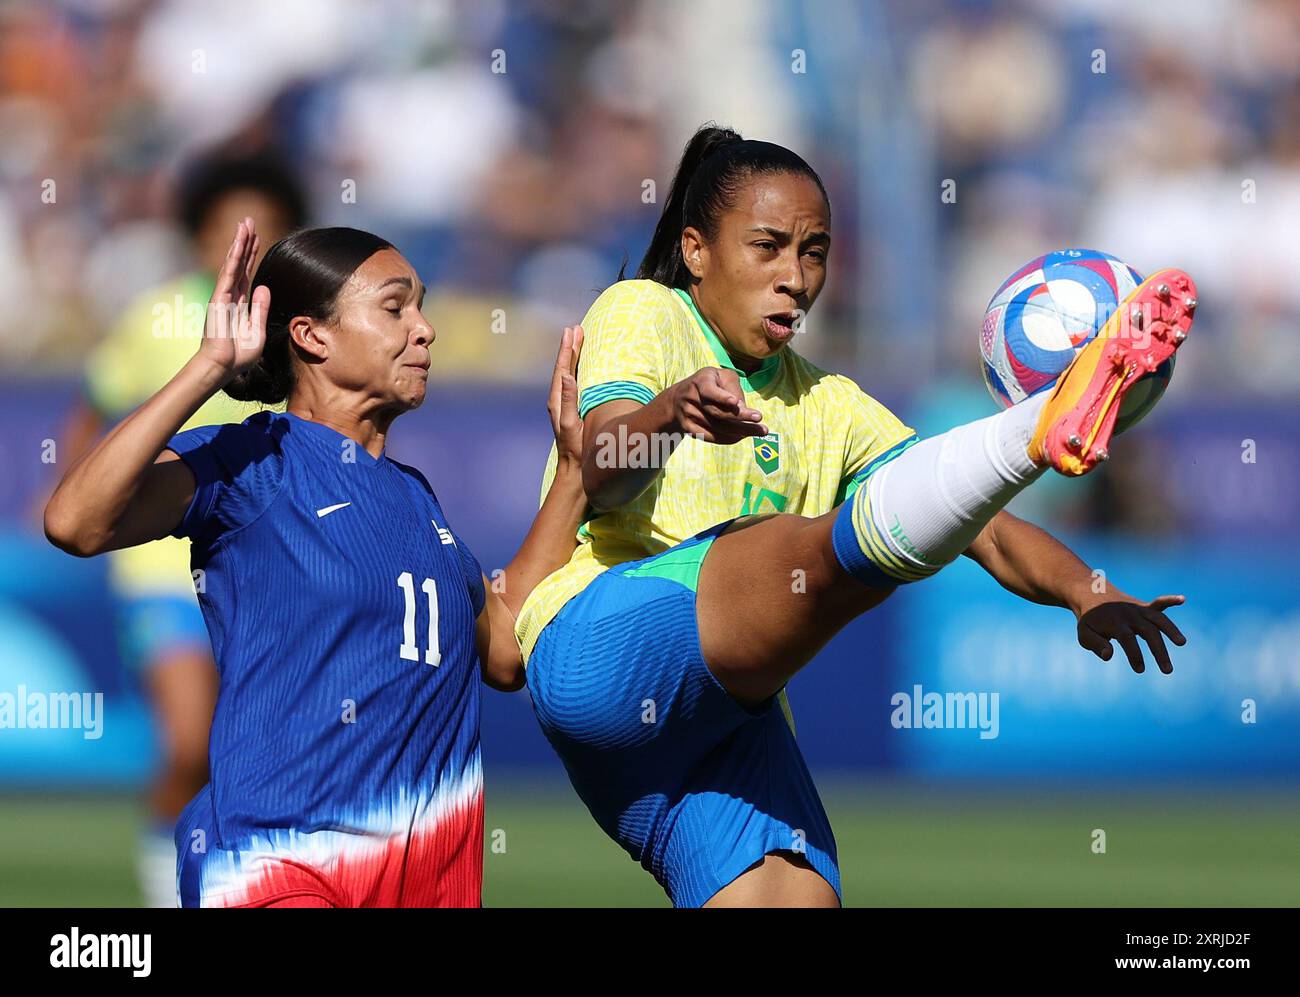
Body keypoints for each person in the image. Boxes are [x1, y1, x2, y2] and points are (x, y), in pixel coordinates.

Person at [515, 125, 1194, 907]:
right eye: (767, 247)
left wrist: (1086, 588)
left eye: (814, 253)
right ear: (697, 251)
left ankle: (1030, 435)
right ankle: (1030, 434)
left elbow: (986, 527)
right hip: (596, 648)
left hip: (719, 725)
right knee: (803, 554)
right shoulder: (645, 312)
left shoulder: (828, 402)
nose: (796, 279)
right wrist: (673, 412)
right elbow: (596, 468)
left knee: (798, 899)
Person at [45, 220, 588, 907]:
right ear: (311, 334)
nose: (424, 329)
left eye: (419, 307)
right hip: (274, 870)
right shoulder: (258, 459)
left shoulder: (418, 499)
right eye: (395, 307)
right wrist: (207, 367)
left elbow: (505, 649)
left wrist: (574, 469)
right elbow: (76, 521)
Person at [57, 150, 306, 906]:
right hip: (163, 566)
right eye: (229, 229)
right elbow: (96, 416)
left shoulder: (301, 327)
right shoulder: (157, 315)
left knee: (266, 756)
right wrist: (89, 496)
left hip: (269, 563)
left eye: (267, 229)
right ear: (199, 236)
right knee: (190, 741)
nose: (246, 243)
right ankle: (164, 886)